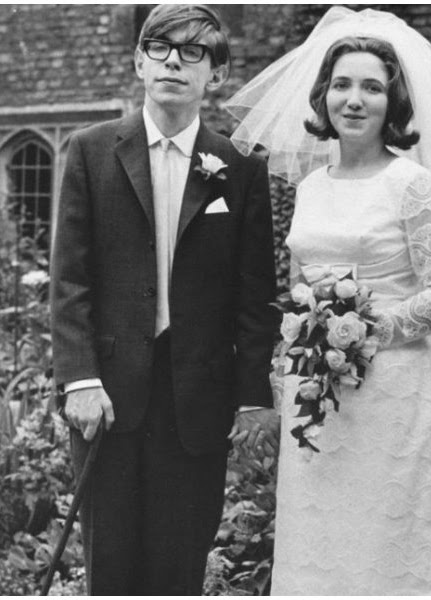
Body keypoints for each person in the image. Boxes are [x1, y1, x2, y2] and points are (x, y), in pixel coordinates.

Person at [224, 8, 431, 595]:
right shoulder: (310, 188)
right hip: (317, 399)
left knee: (391, 546)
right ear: (323, 96)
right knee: (325, 547)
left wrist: (362, 328)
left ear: (392, 102)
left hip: (395, 395)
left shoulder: (411, 183)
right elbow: (301, 294)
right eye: (343, 85)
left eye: (372, 87)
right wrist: (290, 366)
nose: (354, 99)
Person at [49, 4, 279, 594]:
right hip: (106, 396)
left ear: (216, 75)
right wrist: (79, 379)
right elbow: (70, 278)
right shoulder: (90, 149)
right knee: (112, 568)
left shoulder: (239, 168)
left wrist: (254, 395)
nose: (174, 59)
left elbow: (255, 296)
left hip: (196, 399)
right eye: (159, 47)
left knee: (179, 569)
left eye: (193, 51)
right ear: (139, 63)